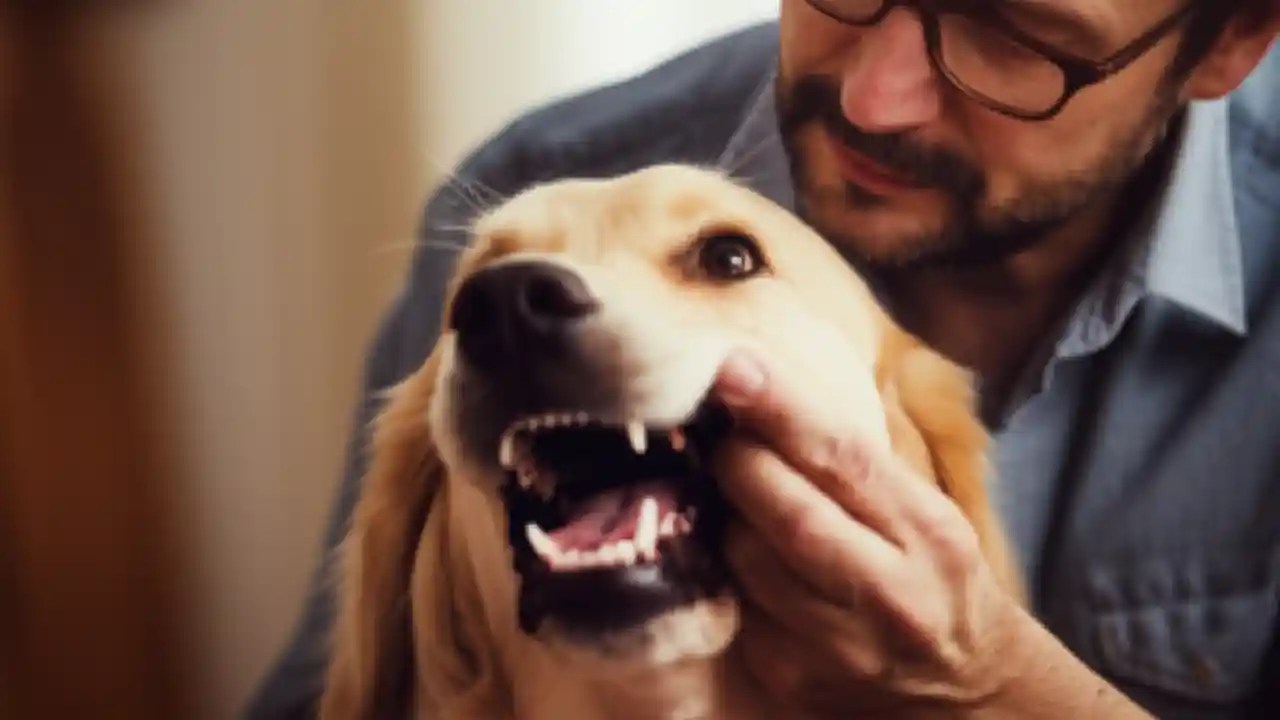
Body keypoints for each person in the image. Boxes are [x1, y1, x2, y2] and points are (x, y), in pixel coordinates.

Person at [247, 2, 1280, 718]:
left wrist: (988, 683)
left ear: (1228, 40)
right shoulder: (537, 192)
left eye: (1018, 36)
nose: (875, 98)